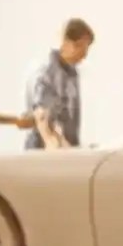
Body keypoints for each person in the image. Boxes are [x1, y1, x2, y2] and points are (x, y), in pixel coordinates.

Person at [25, 18, 94, 150]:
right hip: (44, 153)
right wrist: (55, 144)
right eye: (81, 47)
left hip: (67, 150)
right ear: (66, 43)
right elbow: (42, 117)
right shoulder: (47, 73)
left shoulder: (72, 73)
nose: (84, 54)